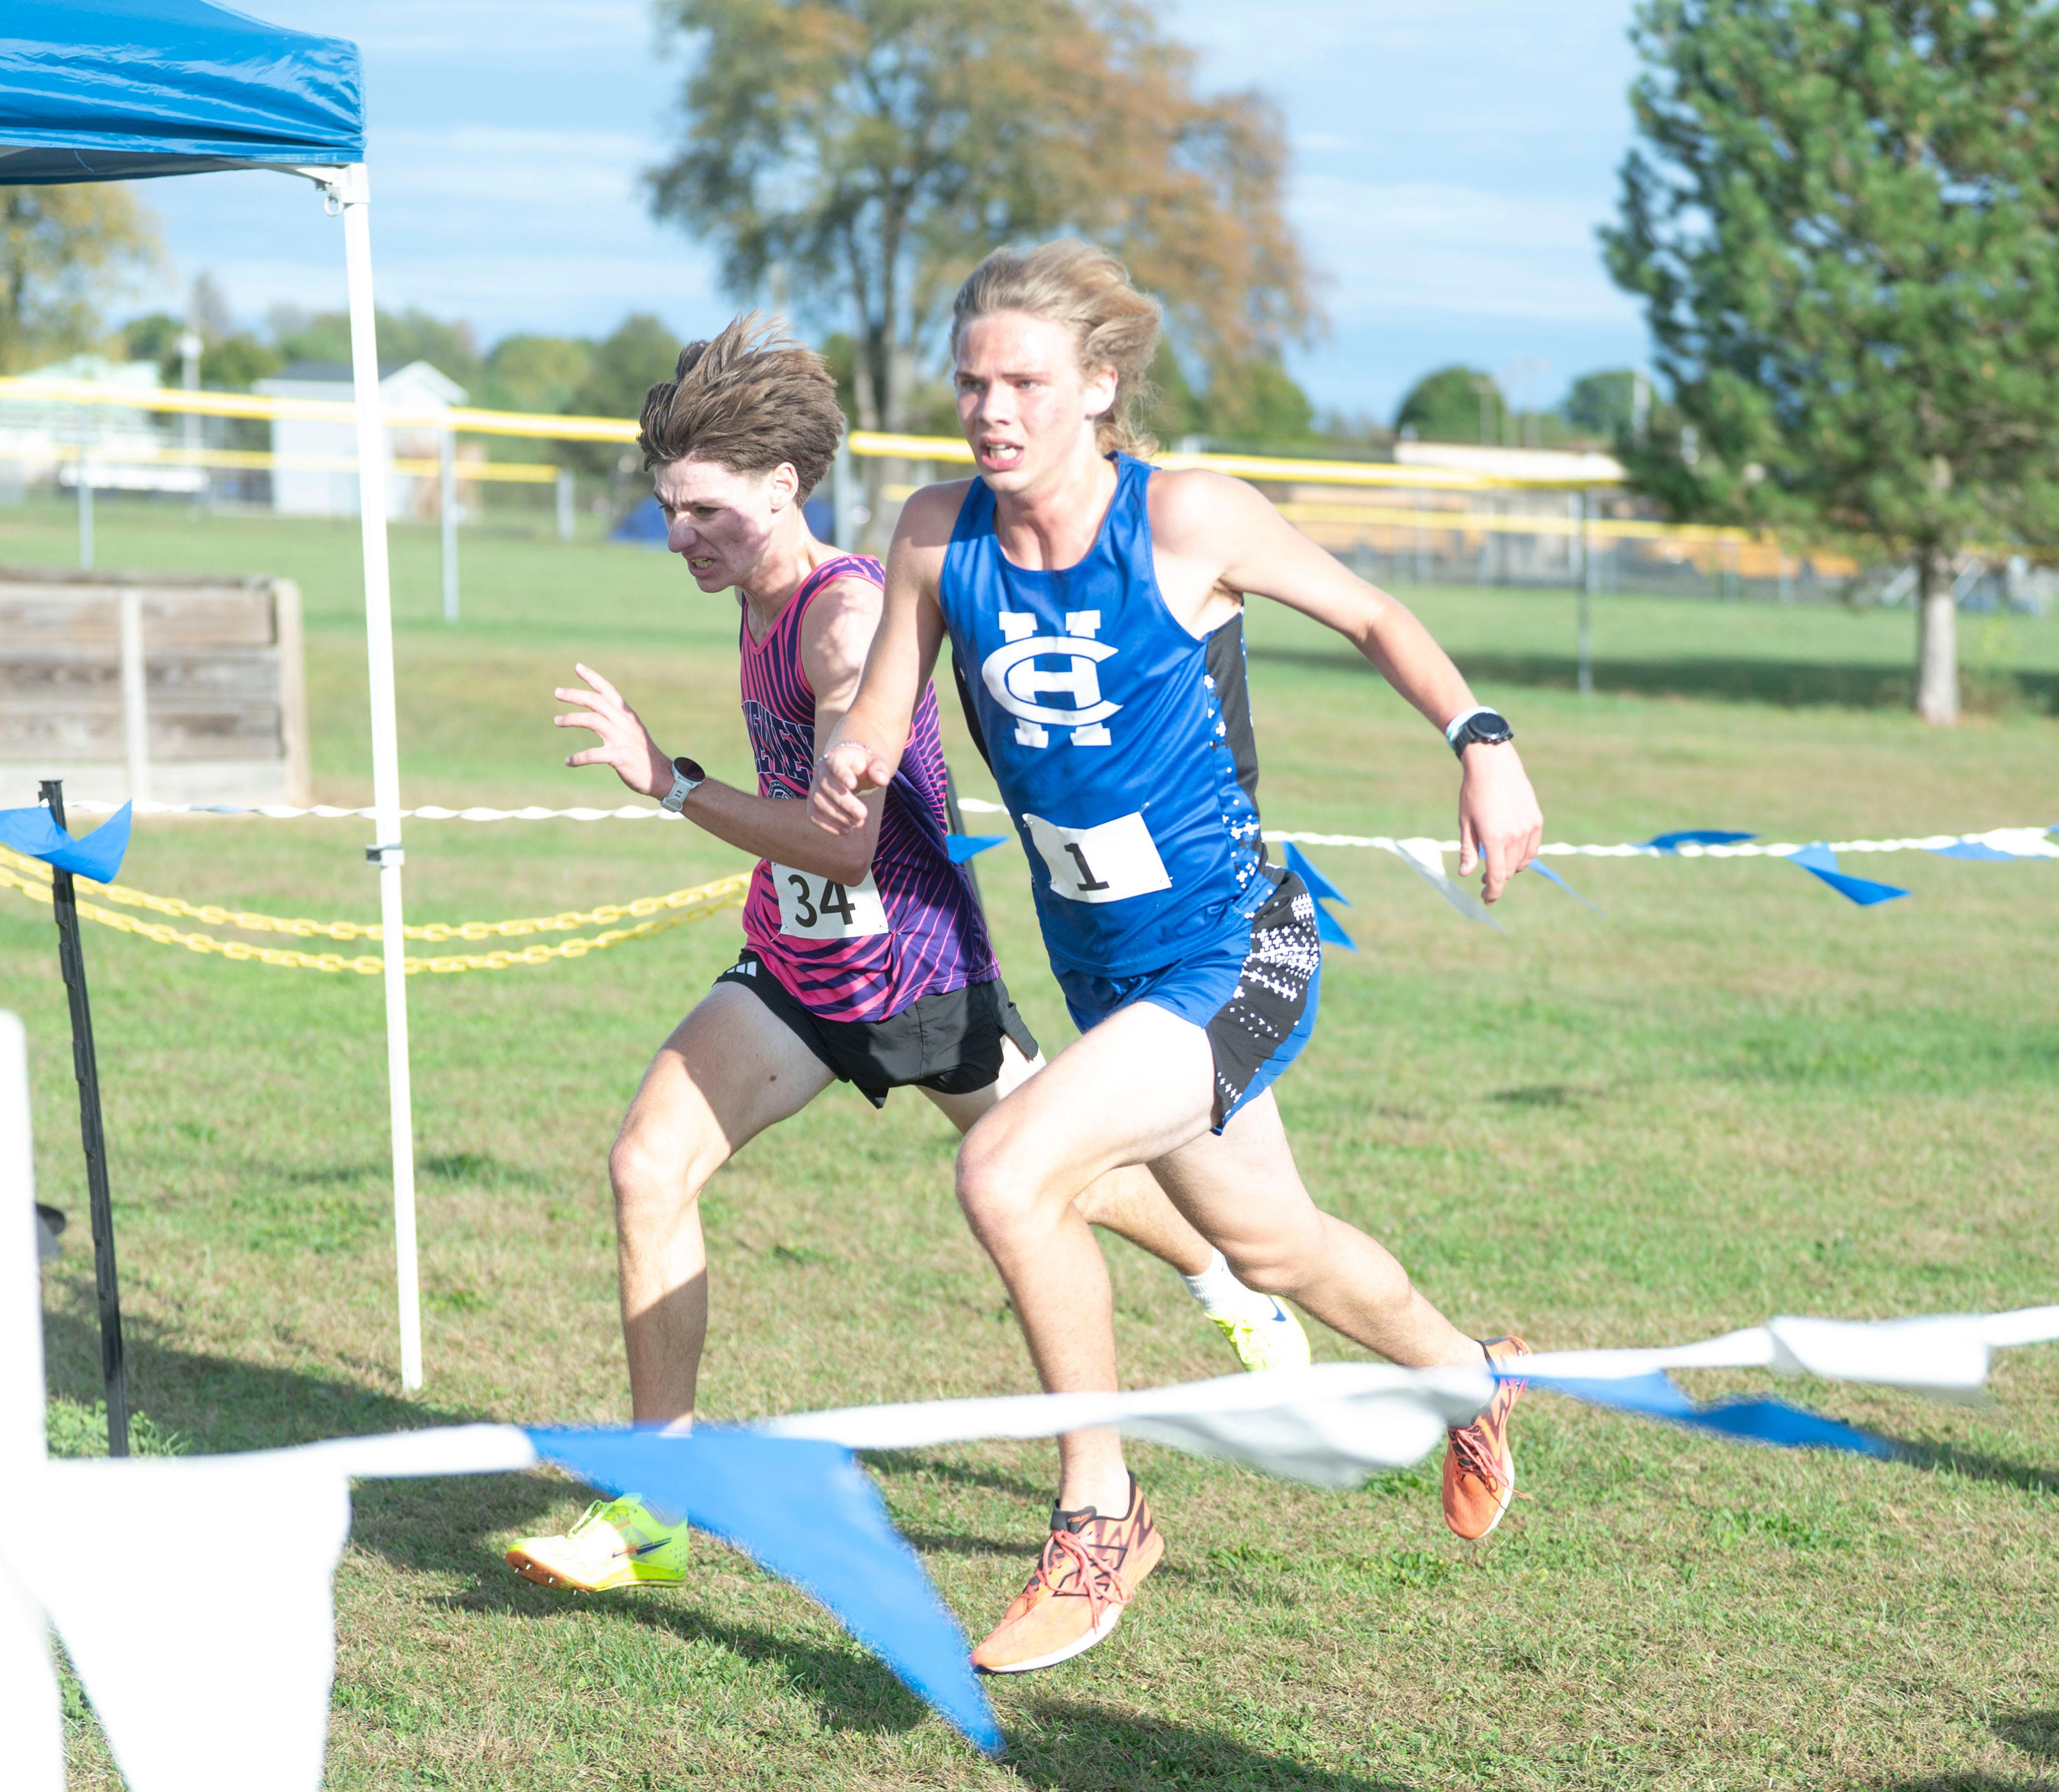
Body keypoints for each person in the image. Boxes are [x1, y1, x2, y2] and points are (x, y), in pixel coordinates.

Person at [808, 242, 1547, 1674]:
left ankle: (1103, 1512)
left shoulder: (1187, 515)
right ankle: (1471, 1378)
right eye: (971, 382)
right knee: (1274, 1245)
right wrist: (846, 760)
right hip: (1100, 966)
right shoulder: (930, 533)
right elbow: (883, 708)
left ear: (1098, 385)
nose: (991, 409)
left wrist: (1484, 744)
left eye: (1023, 380)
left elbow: (1379, 617)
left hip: (1231, 945)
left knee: (1009, 1170)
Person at [505, 315, 1308, 1598]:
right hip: (800, 971)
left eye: (703, 512)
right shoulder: (761, 595)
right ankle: (658, 1503)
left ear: (782, 492)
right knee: (648, 1164)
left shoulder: (839, 621)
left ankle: (1229, 1274)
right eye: (665, 512)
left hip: (916, 974)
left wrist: (669, 785)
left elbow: (841, 845)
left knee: (1068, 1180)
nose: (678, 539)